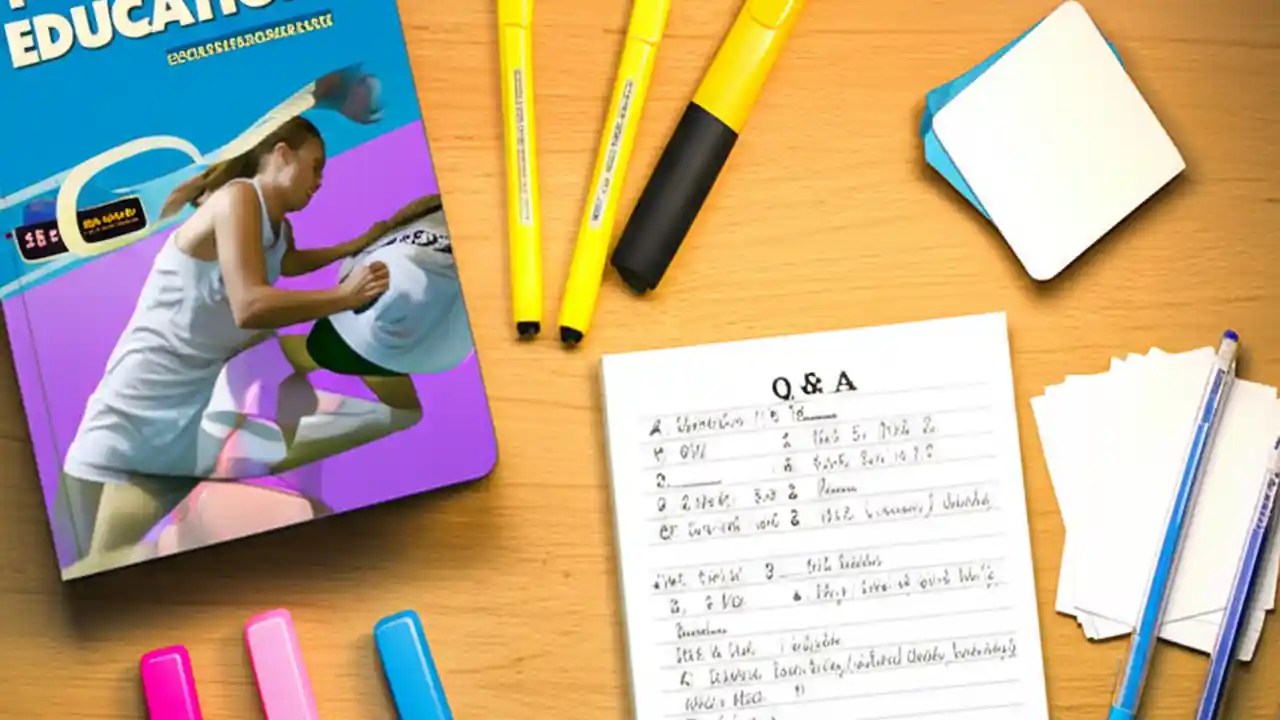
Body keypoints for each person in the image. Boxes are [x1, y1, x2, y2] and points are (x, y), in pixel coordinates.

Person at [54, 115, 422, 579]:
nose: (320, 182)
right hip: (137, 401)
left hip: (192, 410)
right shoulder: (238, 198)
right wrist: (347, 298)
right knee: (77, 564)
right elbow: (250, 305)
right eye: (315, 167)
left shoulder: (277, 228)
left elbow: (286, 261)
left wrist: (353, 245)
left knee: (102, 570)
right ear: (282, 154)